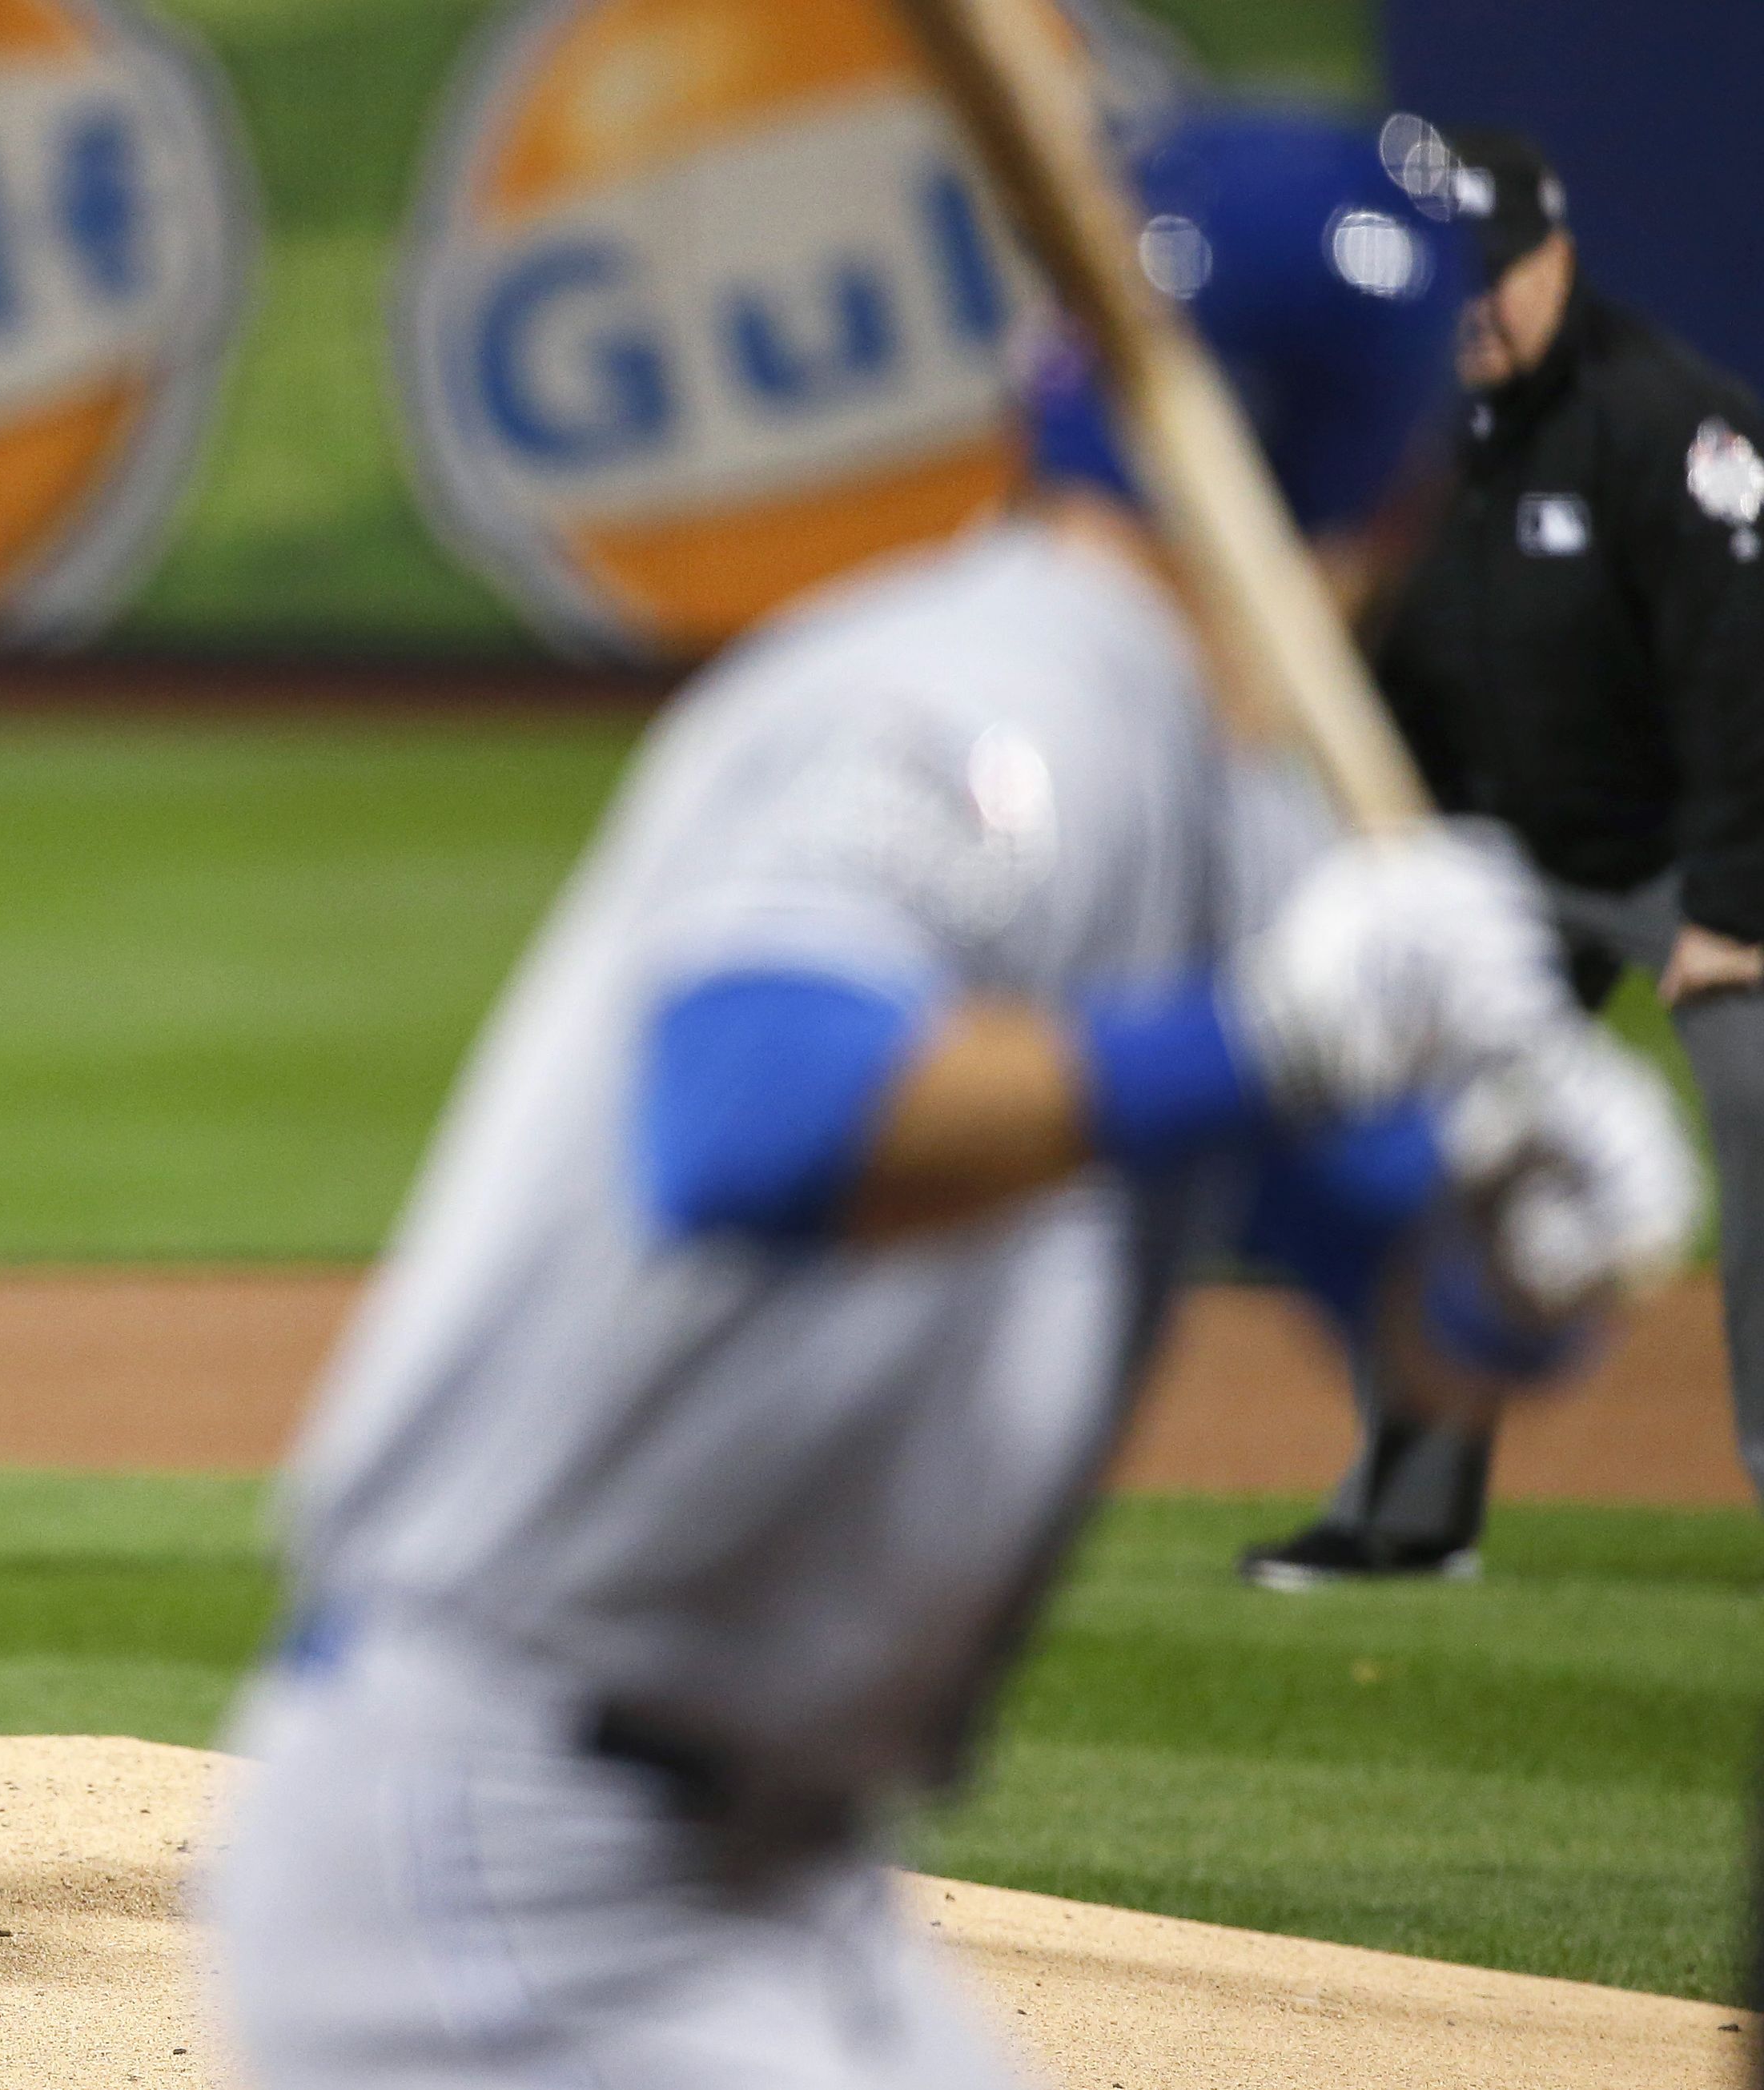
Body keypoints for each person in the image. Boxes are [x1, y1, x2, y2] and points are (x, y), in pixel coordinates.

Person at [202, 107, 1696, 2090]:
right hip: (512, 1841)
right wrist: (1265, 1045)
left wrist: (1527, 1247)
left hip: (771, 1874)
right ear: (1403, 487)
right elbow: (744, 1111)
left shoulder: (1236, 822)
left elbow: (1388, 1296)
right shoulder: (974, 695)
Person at [1241, 128, 1764, 1588]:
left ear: (1561, 255)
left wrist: (1732, 908)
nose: (1480, 306)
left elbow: (1746, 683)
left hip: (1685, 854)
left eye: (1503, 276)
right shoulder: (1397, 423)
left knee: (1760, 1081)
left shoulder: (1671, 424)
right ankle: (1410, 1507)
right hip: (1495, 857)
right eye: (1452, 280)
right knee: (1415, 1118)